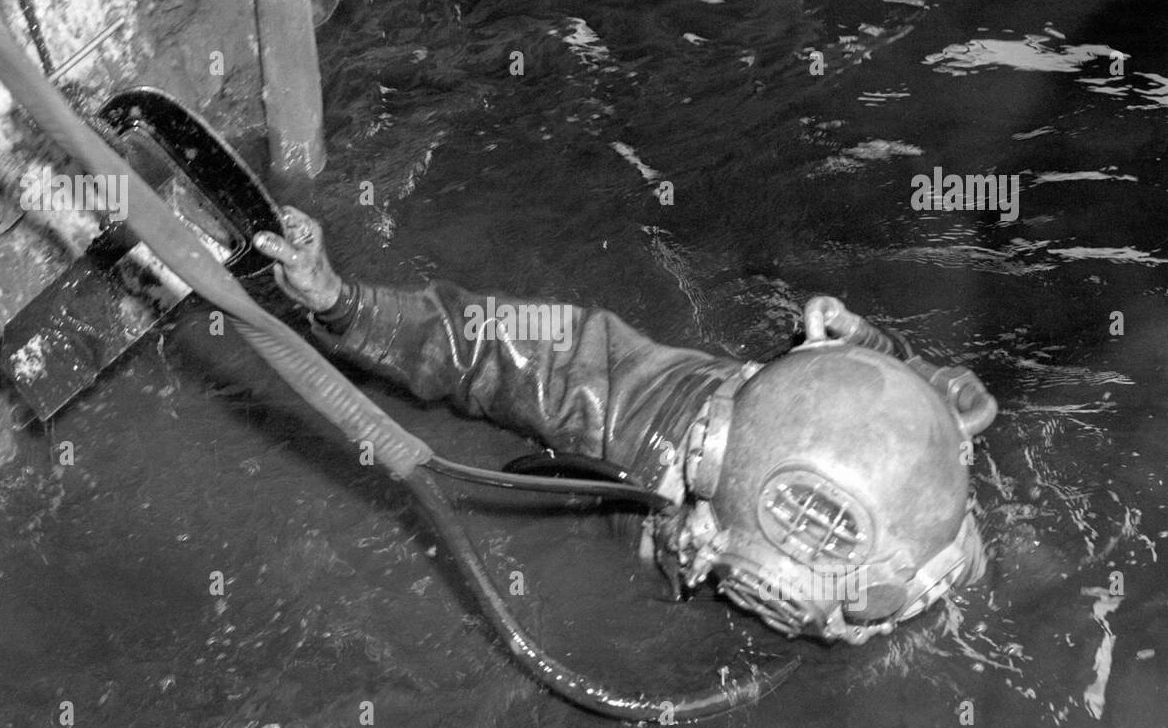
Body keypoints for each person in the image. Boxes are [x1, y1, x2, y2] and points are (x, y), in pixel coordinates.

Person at [253, 207, 997, 646]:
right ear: (710, 451)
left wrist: (876, 350)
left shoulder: (936, 532)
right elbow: (490, 343)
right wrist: (340, 303)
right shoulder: (642, 411)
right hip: (646, 481)